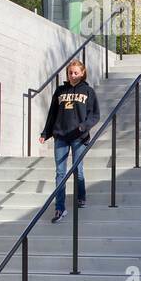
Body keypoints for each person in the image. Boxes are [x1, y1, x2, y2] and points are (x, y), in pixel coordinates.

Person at [40, 58, 100, 222]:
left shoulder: (88, 91)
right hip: (61, 136)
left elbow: (95, 115)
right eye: (70, 73)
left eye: (75, 73)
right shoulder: (60, 91)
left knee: (78, 171)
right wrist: (46, 133)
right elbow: (52, 113)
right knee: (60, 172)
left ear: (82, 73)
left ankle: (81, 196)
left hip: (79, 137)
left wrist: (84, 127)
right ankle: (60, 208)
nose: (72, 75)